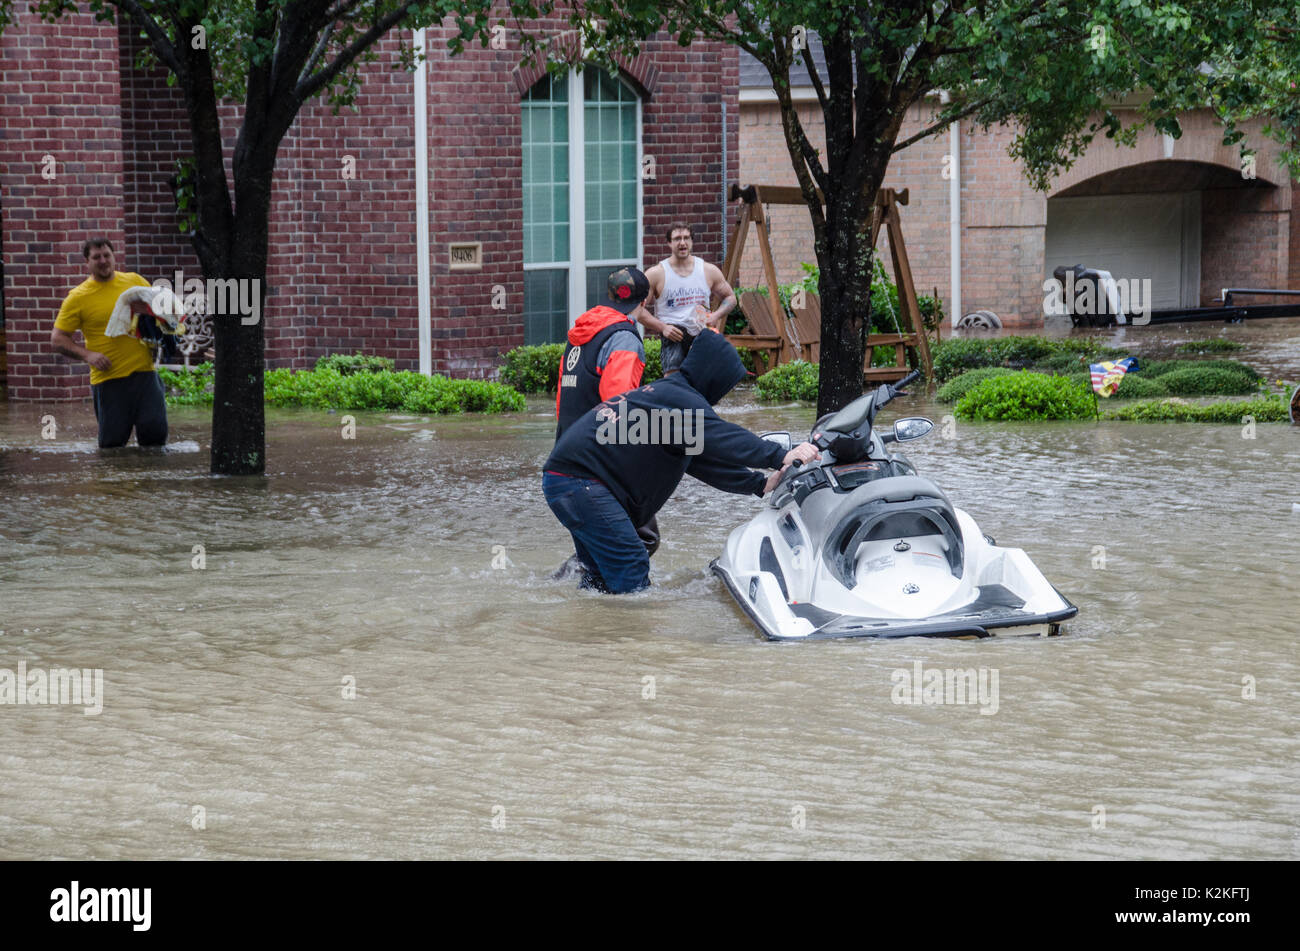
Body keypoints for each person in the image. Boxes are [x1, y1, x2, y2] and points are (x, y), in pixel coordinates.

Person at [543, 327, 820, 593]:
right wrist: (781, 454)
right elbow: (725, 437)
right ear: (713, 376)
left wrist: (758, 483)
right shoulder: (680, 399)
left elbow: (702, 461)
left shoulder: (669, 395)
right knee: (631, 564)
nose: (722, 397)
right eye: (726, 385)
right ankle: (630, 638)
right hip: (580, 483)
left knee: (599, 579)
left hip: (567, 481)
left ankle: (587, 635)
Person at [552, 266, 661, 570]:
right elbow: (618, 405)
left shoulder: (579, 335)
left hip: (568, 453)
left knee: (592, 544)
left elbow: (562, 399)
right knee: (644, 538)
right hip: (600, 461)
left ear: (610, 295)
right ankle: (607, 598)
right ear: (644, 302)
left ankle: (582, 598)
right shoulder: (624, 339)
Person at [50, 239, 168, 448]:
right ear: (87, 261)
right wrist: (88, 355)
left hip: (145, 375)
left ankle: (151, 482)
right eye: (97, 257)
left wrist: (150, 313)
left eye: (107, 255)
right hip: (109, 380)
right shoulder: (77, 297)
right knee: (112, 447)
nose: (103, 261)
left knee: (156, 441)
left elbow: (164, 314)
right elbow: (58, 339)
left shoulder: (135, 281)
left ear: (115, 257)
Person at [638, 223, 738, 374]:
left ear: (692, 241)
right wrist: (663, 328)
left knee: (705, 381)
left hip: (700, 334)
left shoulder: (708, 270)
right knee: (673, 382)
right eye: (677, 238)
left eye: (686, 238)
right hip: (673, 334)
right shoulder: (656, 274)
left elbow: (730, 298)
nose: (682, 243)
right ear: (669, 243)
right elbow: (638, 310)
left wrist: (716, 315)